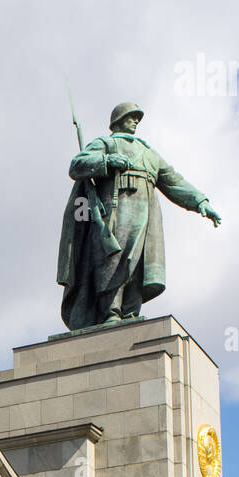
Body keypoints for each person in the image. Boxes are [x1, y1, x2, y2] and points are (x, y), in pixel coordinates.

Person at [57, 101, 221, 330]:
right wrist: (106, 161)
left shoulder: (148, 153)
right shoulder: (106, 143)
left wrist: (200, 201)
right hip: (115, 210)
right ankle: (111, 312)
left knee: (138, 262)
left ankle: (130, 311)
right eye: (131, 117)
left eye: (137, 118)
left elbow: (174, 181)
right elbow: (77, 165)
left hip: (146, 214)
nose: (135, 121)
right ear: (118, 120)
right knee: (114, 258)